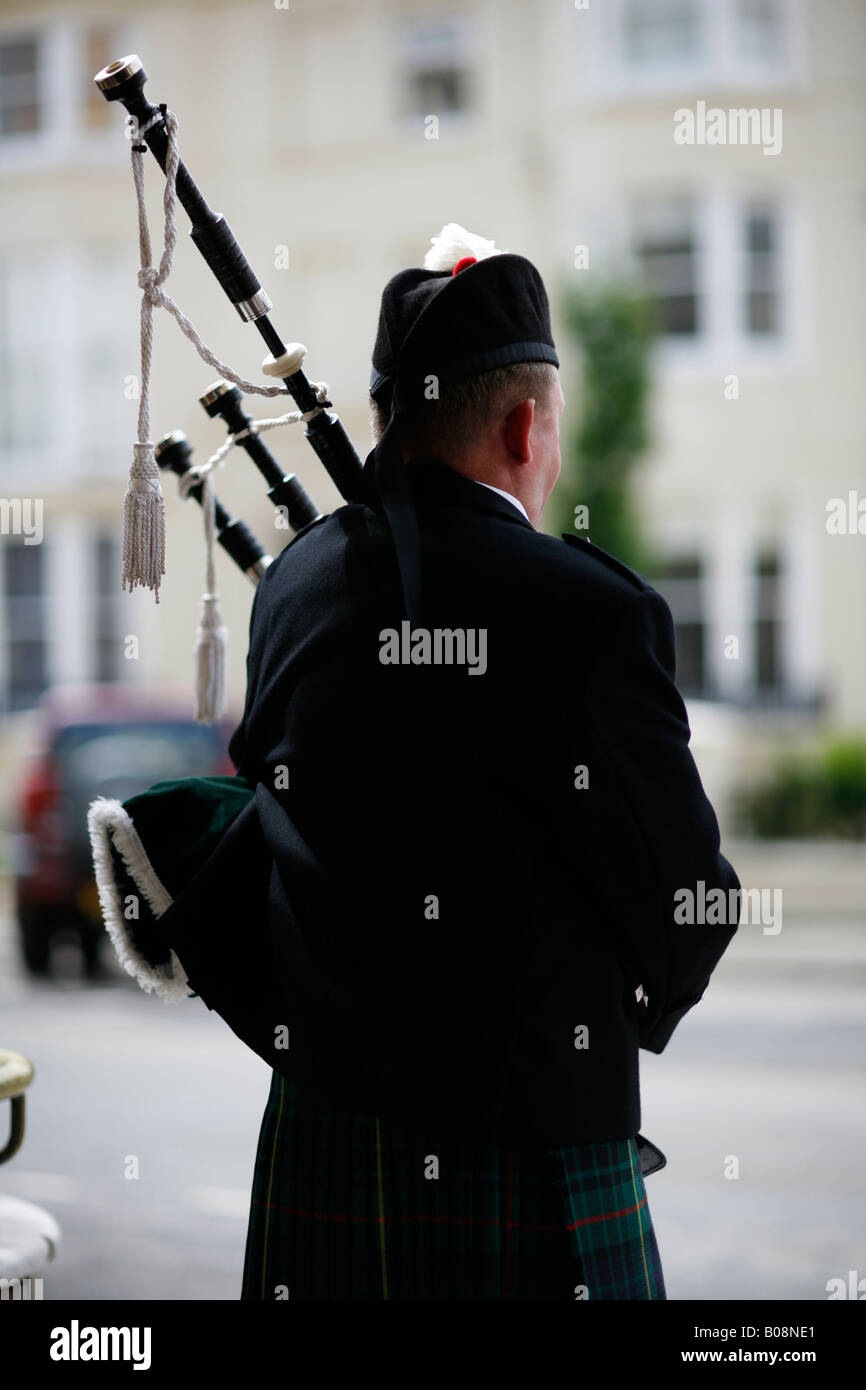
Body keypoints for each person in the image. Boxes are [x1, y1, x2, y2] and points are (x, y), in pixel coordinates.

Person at [226, 226, 740, 1301]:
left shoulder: (292, 590)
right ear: (521, 425)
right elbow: (687, 902)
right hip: (527, 1153)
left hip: (321, 1141)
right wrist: (631, 1005)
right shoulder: (590, 614)